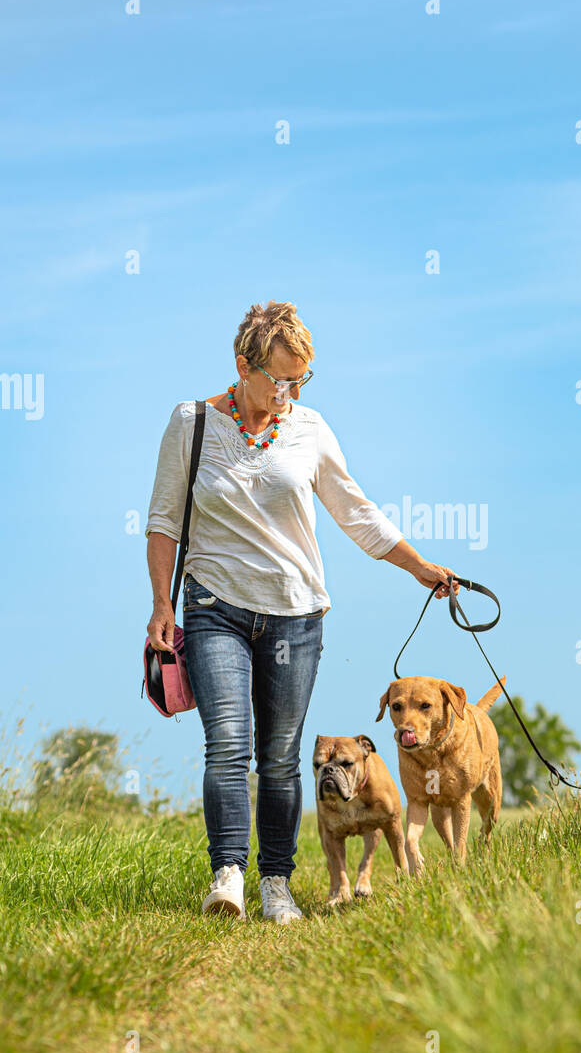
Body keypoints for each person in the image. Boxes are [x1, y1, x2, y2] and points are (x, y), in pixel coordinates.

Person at [146, 300, 456, 922]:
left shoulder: (309, 428)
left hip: (294, 614)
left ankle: (276, 884)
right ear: (244, 365)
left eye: (301, 380)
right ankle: (228, 875)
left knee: (282, 754)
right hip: (214, 606)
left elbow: (355, 510)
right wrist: (160, 604)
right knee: (228, 744)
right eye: (280, 378)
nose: (289, 392)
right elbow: (163, 521)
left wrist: (417, 565)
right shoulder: (193, 423)